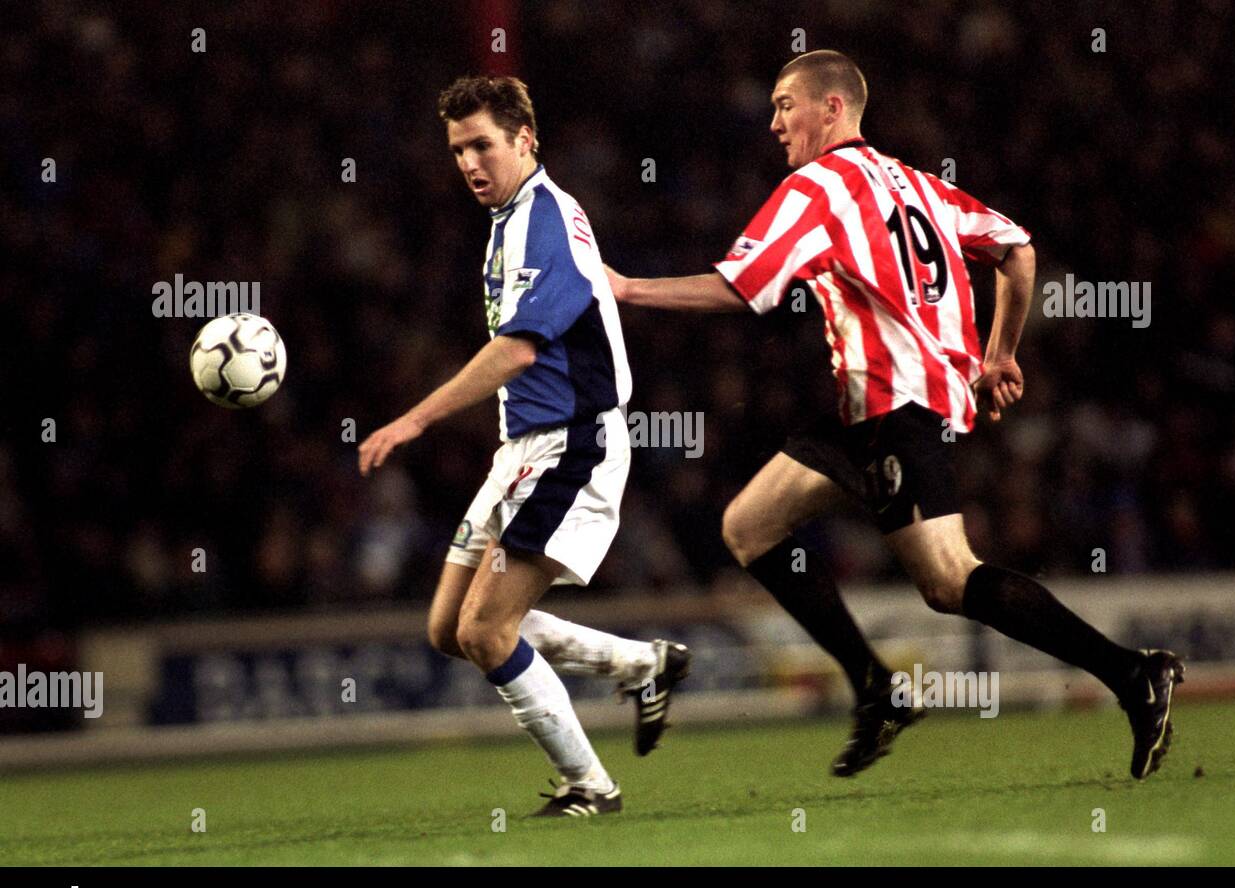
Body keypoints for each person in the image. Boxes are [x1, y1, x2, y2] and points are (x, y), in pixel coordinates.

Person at [605, 50, 1182, 780]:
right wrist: (998, 354)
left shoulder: (814, 187)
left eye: (788, 104)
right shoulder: (918, 183)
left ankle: (1133, 674)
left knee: (947, 580)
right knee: (749, 526)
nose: (775, 120)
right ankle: (876, 688)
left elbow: (741, 287)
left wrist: (625, 289)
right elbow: (1018, 252)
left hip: (892, 405)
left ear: (833, 108)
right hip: (885, 405)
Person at [359, 75, 689, 817]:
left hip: (571, 447)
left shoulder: (541, 217)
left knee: (484, 628)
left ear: (525, 141)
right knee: (450, 627)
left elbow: (517, 352)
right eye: (457, 150)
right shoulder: (511, 219)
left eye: (482, 145)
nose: (470, 162)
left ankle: (590, 787)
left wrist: (415, 419)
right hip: (523, 449)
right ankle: (642, 663)